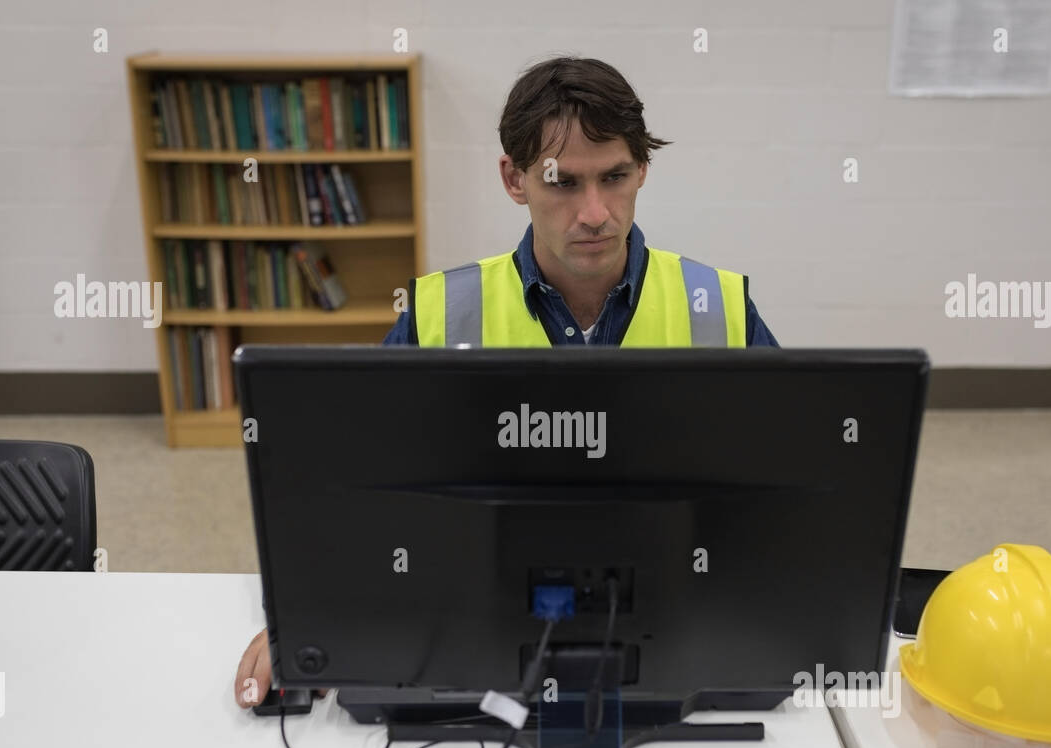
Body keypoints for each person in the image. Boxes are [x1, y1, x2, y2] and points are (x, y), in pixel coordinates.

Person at [235, 55, 780, 706]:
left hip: (684, 621)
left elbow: (786, 492)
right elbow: (355, 485)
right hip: (479, 624)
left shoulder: (715, 303)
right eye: (563, 183)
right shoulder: (439, 312)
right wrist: (316, 615)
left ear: (642, 171)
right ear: (513, 179)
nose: (595, 213)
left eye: (615, 177)